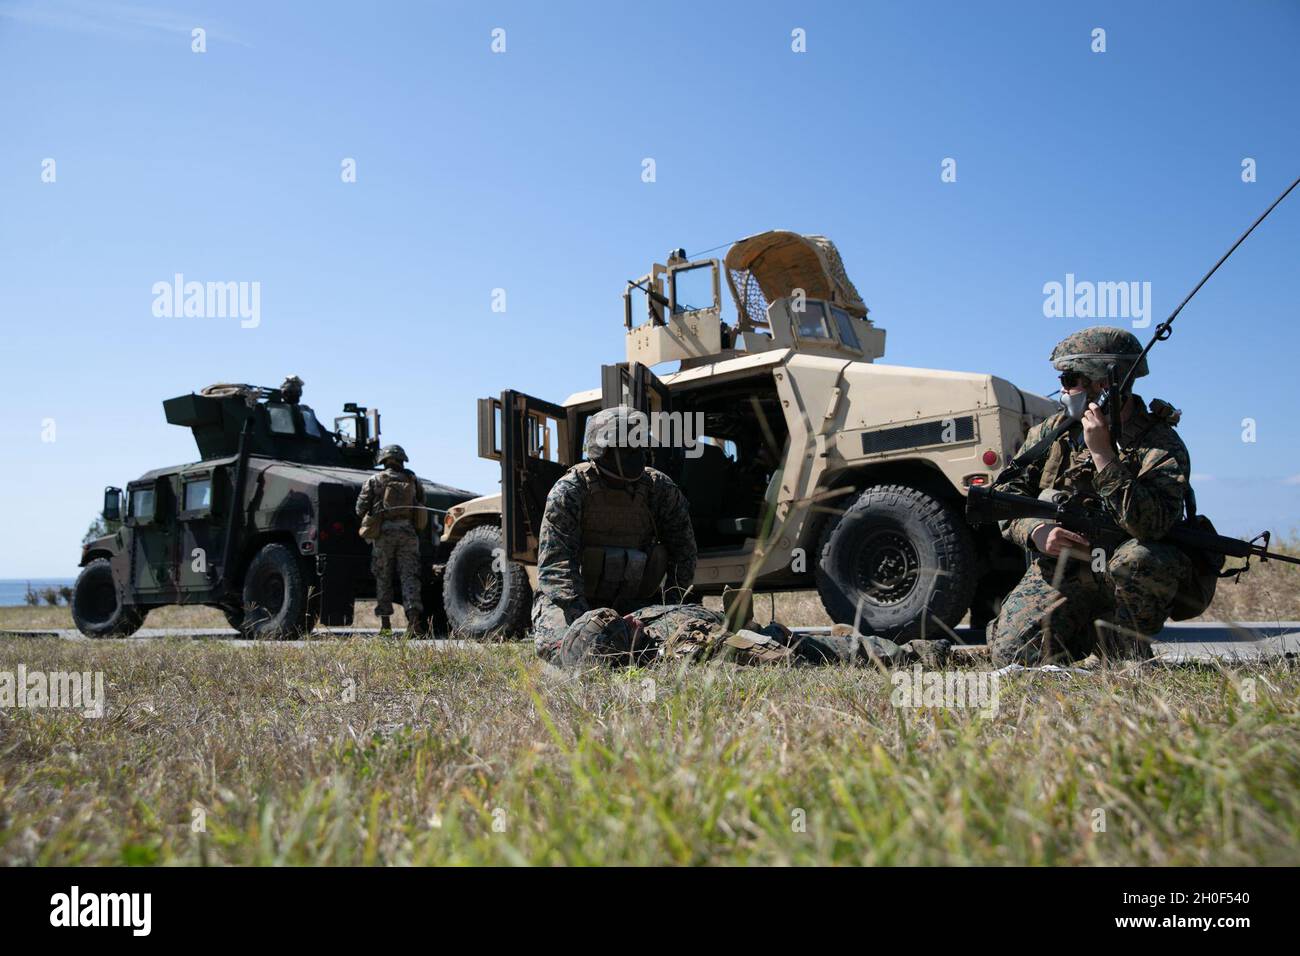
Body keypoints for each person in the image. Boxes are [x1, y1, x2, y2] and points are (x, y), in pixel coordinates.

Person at [987, 326, 1194, 666]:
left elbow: (1152, 525)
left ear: (1103, 384)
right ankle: (1086, 640)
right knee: (1012, 656)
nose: (1063, 389)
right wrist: (1037, 532)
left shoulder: (1160, 444)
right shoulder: (1050, 434)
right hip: (1067, 567)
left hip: (1124, 567)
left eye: (1070, 378)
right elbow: (1005, 497)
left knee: (1139, 557)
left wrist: (1103, 456)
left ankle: (1127, 651)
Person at [356, 444, 427, 634]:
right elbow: (421, 503)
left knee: (383, 578)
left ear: (384, 460)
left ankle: (385, 625)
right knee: (410, 577)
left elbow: (360, 508)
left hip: (384, 535)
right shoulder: (413, 480)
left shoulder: (375, 480)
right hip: (408, 534)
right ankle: (414, 623)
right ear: (402, 460)